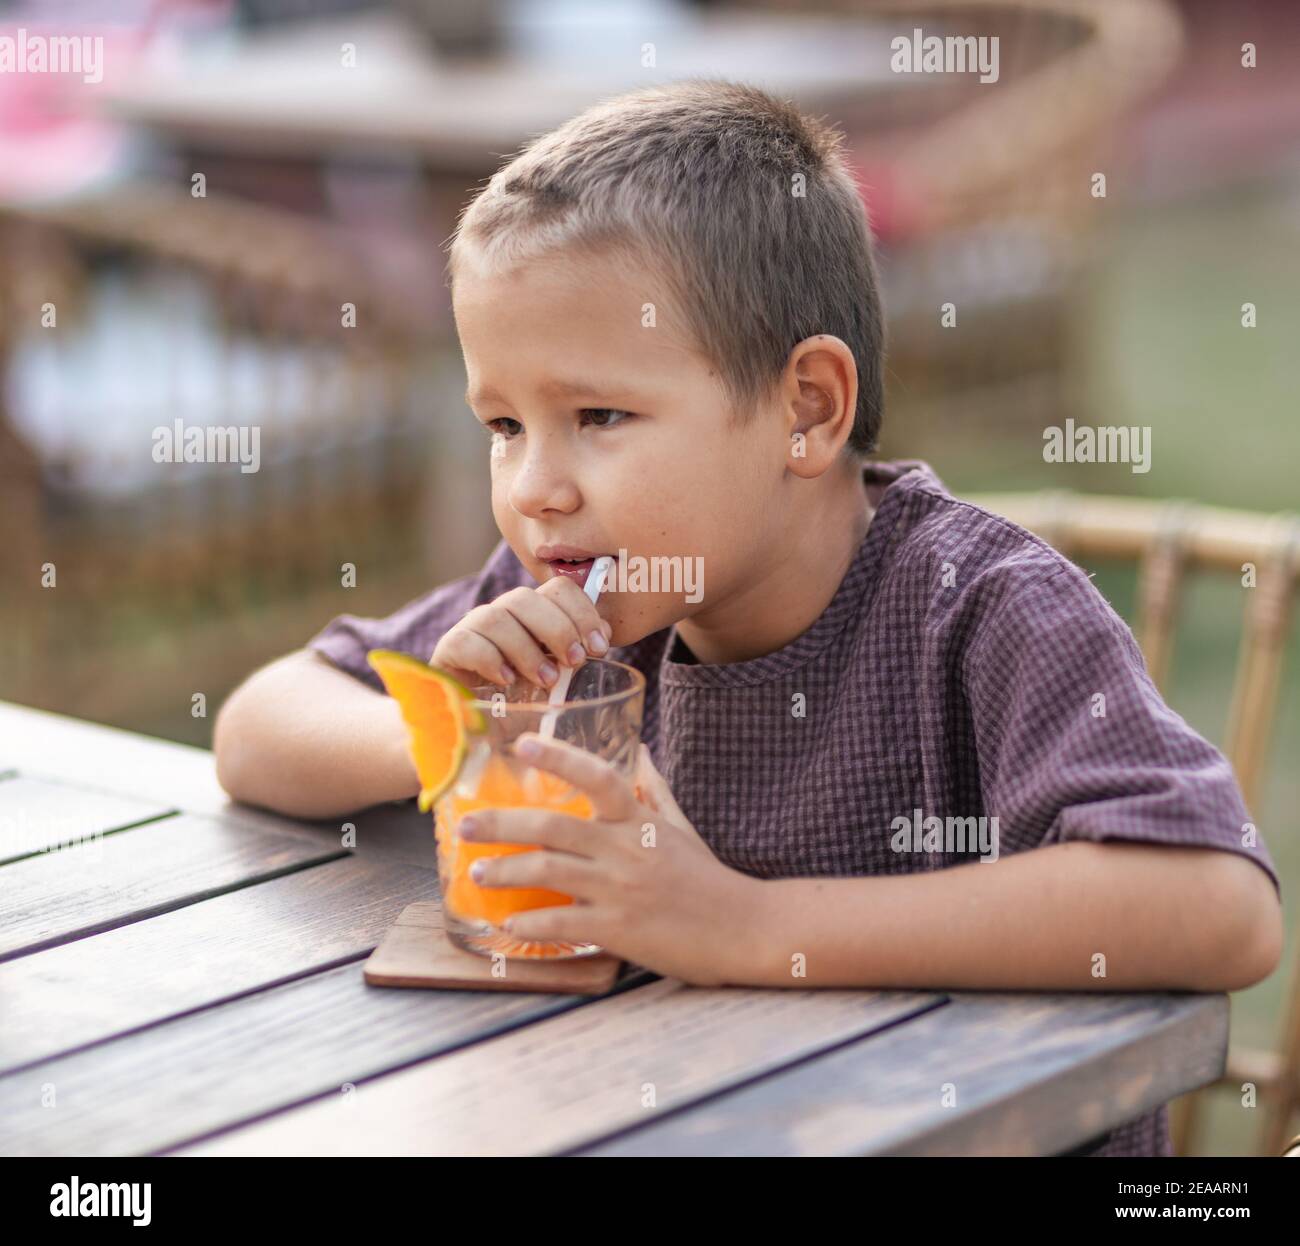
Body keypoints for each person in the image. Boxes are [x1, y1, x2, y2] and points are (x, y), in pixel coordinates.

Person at [214, 80, 1282, 1157]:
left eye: (598, 415)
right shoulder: (579, 612)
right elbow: (257, 727)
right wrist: (454, 730)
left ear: (805, 408)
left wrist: (744, 925)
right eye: (502, 425)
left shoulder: (978, 611)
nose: (534, 488)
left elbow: (1217, 906)